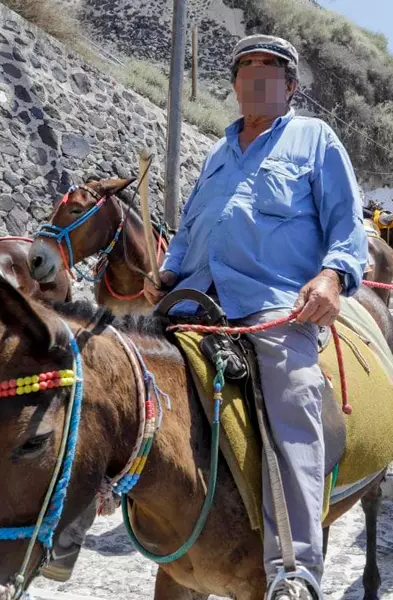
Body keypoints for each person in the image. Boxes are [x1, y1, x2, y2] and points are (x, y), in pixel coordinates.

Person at [142, 34, 367, 600]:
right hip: (194, 300)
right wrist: (168, 272)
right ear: (236, 85)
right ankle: (67, 521)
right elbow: (193, 228)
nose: (256, 78)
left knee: (289, 402)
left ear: (291, 87)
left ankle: (294, 570)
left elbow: (347, 225)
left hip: (274, 306)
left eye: (270, 70)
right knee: (117, 376)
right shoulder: (218, 154)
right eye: (246, 70)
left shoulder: (315, 140)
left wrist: (331, 277)